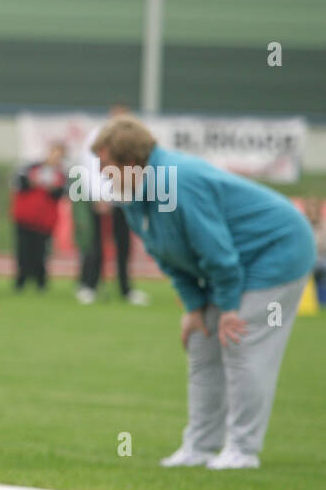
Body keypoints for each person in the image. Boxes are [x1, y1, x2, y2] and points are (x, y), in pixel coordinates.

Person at [93, 116, 316, 470]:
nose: (102, 174)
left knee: (239, 341)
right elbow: (166, 255)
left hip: (277, 250)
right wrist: (194, 307)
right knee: (201, 341)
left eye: (106, 165)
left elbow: (217, 252)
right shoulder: (132, 195)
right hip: (233, 262)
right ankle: (199, 446)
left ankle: (243, 450)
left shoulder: (180, 182)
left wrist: (229, 307)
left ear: (131, 163)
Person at [76, 104, 149, 306]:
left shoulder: (132, 140)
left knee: (124, 246)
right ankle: (88, 285)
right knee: (96, 244)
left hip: (123, 199)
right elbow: (90, 168)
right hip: (102, 200)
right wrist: (99, 196)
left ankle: (126, 289)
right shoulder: (97, 137)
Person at [11, 142, 67, 291]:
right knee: (23, 252)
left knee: (41, 253)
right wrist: (32, 182)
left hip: (45, 221)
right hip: (26, 217)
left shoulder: (61, 174)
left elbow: (60, 194)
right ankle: (20, 282)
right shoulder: (31, 168)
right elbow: (18, 184)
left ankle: (40, 282)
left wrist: (53, 188)